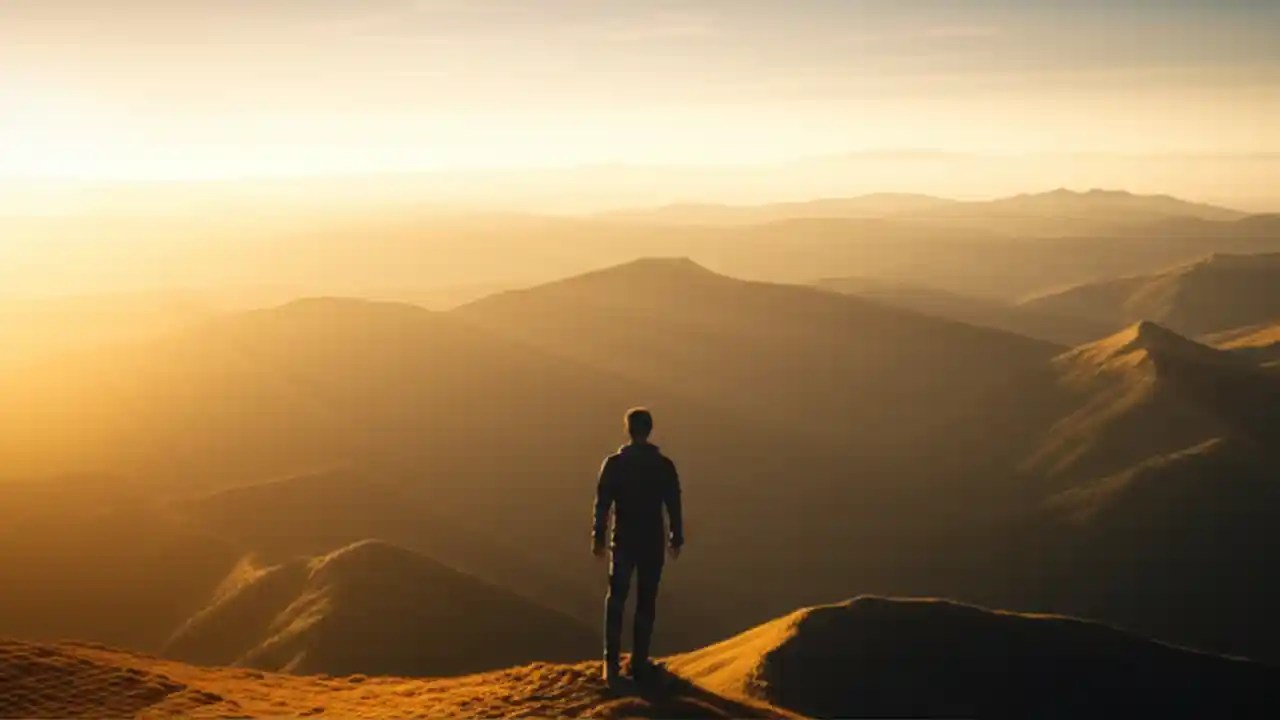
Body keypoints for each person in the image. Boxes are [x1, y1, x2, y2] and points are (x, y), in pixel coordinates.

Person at [592, 407, 683, 685]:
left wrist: (598, 536)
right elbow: (673, 504)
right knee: (646, 601)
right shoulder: (663, 465)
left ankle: (611, 664)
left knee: (616, 599)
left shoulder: (615, 463)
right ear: (650, 429)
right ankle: (639, 662)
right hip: (651, 542)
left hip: (623, 541)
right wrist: (675, 537)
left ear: (628, 430)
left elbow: (603, 503)